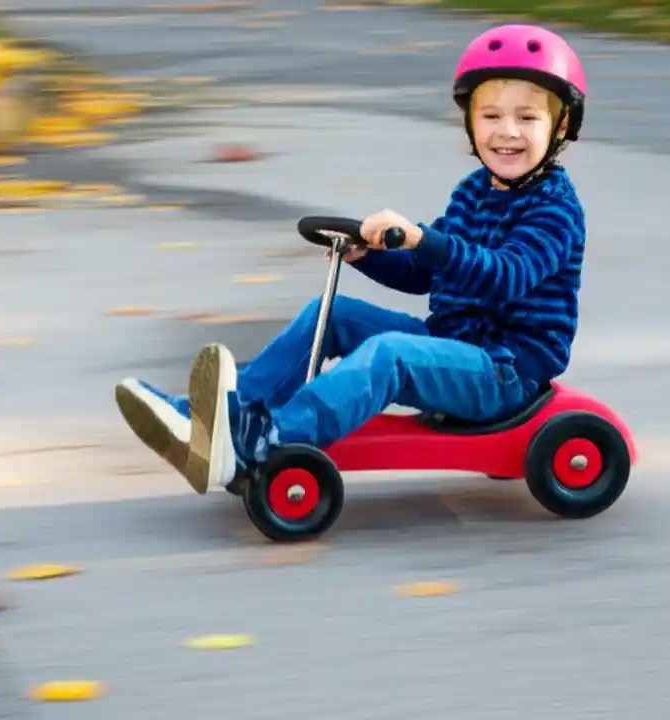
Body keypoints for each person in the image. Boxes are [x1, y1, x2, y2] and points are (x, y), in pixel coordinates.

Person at [115, 23, 590, 494]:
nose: (507, 132)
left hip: (504, 373)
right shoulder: (471, 193)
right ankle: (214, 419)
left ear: (560, 125)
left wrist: (421, 238)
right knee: (335, 315)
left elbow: (504, 277)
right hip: (453, 344)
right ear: (470, 121)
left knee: (391, 354)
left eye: (527, 118)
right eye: (491, 116)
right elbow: (425, 275)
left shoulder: (555, 210)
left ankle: (272, 436)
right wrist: (366, 255)